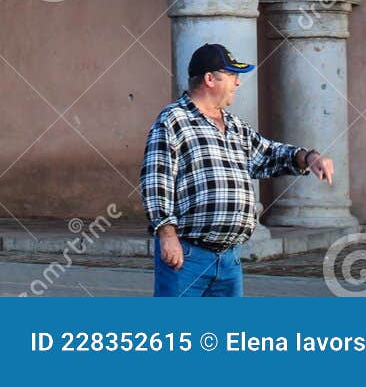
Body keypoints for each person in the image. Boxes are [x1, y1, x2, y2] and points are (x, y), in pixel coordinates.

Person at [139, 41, 335, 297]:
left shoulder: (234, 126)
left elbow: (268, 154)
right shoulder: (173, 121)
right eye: (232, 75)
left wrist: (307, 157)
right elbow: (156, 181)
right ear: (210, 79)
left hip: (229, 259)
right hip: (187, 257)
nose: (238, 83)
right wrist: (167, 235)